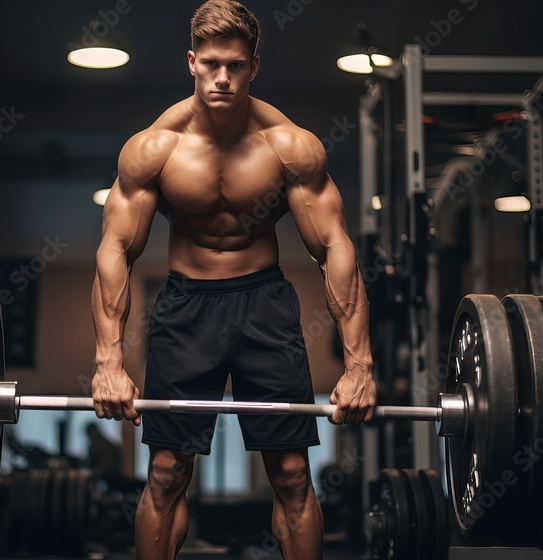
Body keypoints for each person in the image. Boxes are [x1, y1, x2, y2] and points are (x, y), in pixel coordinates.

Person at [90, 1, 376, 558]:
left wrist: (359, 365)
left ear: (254, 67)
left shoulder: (289, 147)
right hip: (185, 307)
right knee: (167, 471)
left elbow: (334, 248)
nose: (223, 77)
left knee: (292, 472)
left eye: (236, 66)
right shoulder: (154, 149)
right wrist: (108, 361)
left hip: (263, 303)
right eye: (212, 64)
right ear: (191, 62)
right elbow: (116, 249)